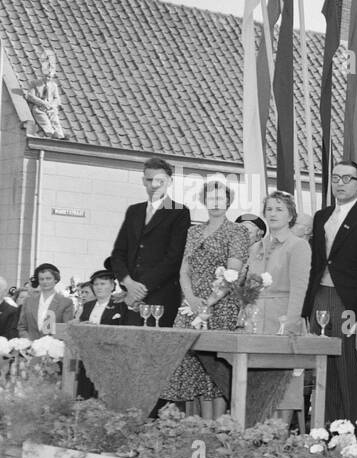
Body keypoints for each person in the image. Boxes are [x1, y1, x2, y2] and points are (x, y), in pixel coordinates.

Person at [305, 159, 357, 424]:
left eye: (347, 179)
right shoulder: (321, 216)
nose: (340, 184)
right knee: (324, 368)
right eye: (335, 178)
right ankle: (325, 430)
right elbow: (316, 263)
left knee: (349, 368)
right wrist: (305, 309)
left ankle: (355, 433)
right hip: (320, 297)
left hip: (350, 302)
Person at [164, 175, 249, 418]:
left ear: (228, 202)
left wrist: (209, 303)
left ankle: (217, 426)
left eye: (220, 197)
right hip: (191, 306)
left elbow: (233, 273)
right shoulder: (193, 231)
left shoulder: (237, 231)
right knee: (192, 367)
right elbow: (183, 270)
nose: (215, 202)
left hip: (220, 306)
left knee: (216, 371)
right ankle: (198, 426)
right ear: (203, 201)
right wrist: (191, 298)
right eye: (210, 197)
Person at [248, 192, 312, 426]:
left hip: (282, 319)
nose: (273, 213)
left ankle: (278, 436)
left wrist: (290, 324)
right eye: (270, 209)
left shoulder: (299, 245)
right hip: (256, 323)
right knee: (256, 383)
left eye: (279, 209)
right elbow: (249, 287)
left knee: (284, 385)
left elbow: (299, 288)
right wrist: (243, 318)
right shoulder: (255, 248)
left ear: (291, 215)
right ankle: (256, 433)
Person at [109, 156, 190, 326]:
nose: (153, 185)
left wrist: (141, 288)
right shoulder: (134, 211)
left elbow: (174, 258)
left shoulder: (179, 212)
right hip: (129, 295)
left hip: (161, 295)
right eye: (149, 179)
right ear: (143, 181)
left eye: (159, 180)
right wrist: (128, 282)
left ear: (169, 181)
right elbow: (118, 253)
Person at [74, 270, 129, 399]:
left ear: (112, 286)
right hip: (87, 357)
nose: (99, 287)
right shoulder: (87, 306)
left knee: (104, 397)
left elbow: (126, 331)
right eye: (96, 284)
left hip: (110, 358)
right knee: (85, 394)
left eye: (103, 284)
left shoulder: (121, 306)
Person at [17, 263, 75, 338]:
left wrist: (49, 343)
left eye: (48, 278)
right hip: (30, 346)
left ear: (55, 280)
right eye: (41, 279)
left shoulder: (65, 302)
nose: (45, 282)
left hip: (53, 346)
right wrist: (28, 341)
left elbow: (66, 329)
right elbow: (22, 327)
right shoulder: (28, 301)